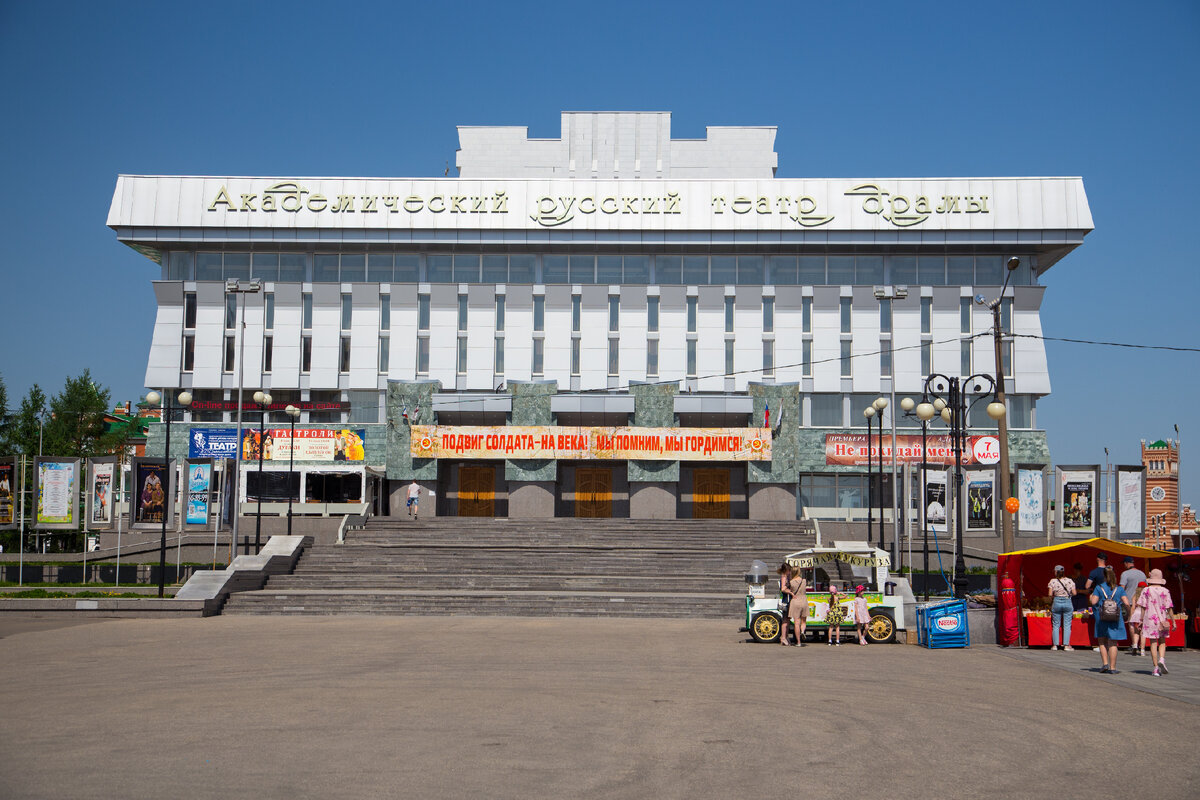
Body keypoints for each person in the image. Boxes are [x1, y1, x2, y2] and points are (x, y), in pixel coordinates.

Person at [1089, 566, 1130, 674]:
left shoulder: (1099, 588)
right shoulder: (1120, 589)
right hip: (1115, 617)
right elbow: (1126, 603)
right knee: (1113, 643)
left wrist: (1090, 597)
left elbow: (1093, 602)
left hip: (1101, 617)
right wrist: (1129, 614)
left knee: (1102, 641)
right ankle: (1113, 668)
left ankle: (1105, 664)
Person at [1136, 569, 1176, 677]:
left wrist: (1141, 620)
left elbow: (1143, 607)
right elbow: (1169, 608)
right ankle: (1162, 659)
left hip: (1150, 620)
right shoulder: (1165, 591)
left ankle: (1155, 668)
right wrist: (1173, 621)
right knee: (1162, 641)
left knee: (1153, 643)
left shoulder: (1146, 590)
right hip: (1162, 620)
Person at [1118, 556, 1147, 653]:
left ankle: (1133, 644)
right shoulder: (1142, 574)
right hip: (1142, 603)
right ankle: (1141, 646)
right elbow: (1146, 587)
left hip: (1129, 602)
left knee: (1131, 623)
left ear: (1126, 563)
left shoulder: (1125, 574)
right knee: (1141, 624)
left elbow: (1121, 588)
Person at [1047, 565, 1077, 651]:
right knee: (1067, 624)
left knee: (1056, 624)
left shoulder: (1052, 581)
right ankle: (1066, 645)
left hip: (1056, 602)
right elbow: (1074, 593)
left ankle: (1055, 645)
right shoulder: (1070, 581)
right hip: (1067, 601)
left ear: (1056, 572)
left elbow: (1049, 594)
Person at [787, 566, 809, 647]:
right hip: (803, 600)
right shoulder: (804, 581)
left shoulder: (791, 582)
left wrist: (791, 593)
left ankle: (798, 642)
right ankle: (802, 631)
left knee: (797, 622)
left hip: (795, 600)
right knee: (804, 621)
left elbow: (786, 589)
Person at [1127, 581, 1148, 657]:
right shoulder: (1147, 596)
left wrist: (1131, 617)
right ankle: (1142, 650)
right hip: (1144, 615)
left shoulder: (1135, 596)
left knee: (1136, 632)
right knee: (1143, 633)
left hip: (1136, 614)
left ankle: (1135, 645)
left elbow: (1132, 608)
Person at [777, 563, 794, 645]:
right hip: (786, 599)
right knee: (785, 619)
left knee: (787, 619)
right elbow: (783, 588)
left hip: (787, 599)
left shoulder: (785, 576)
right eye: (789, 570)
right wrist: (790, 592)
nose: (790, 572)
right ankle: (783, 637)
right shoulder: (784, 577)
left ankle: (785, 636)